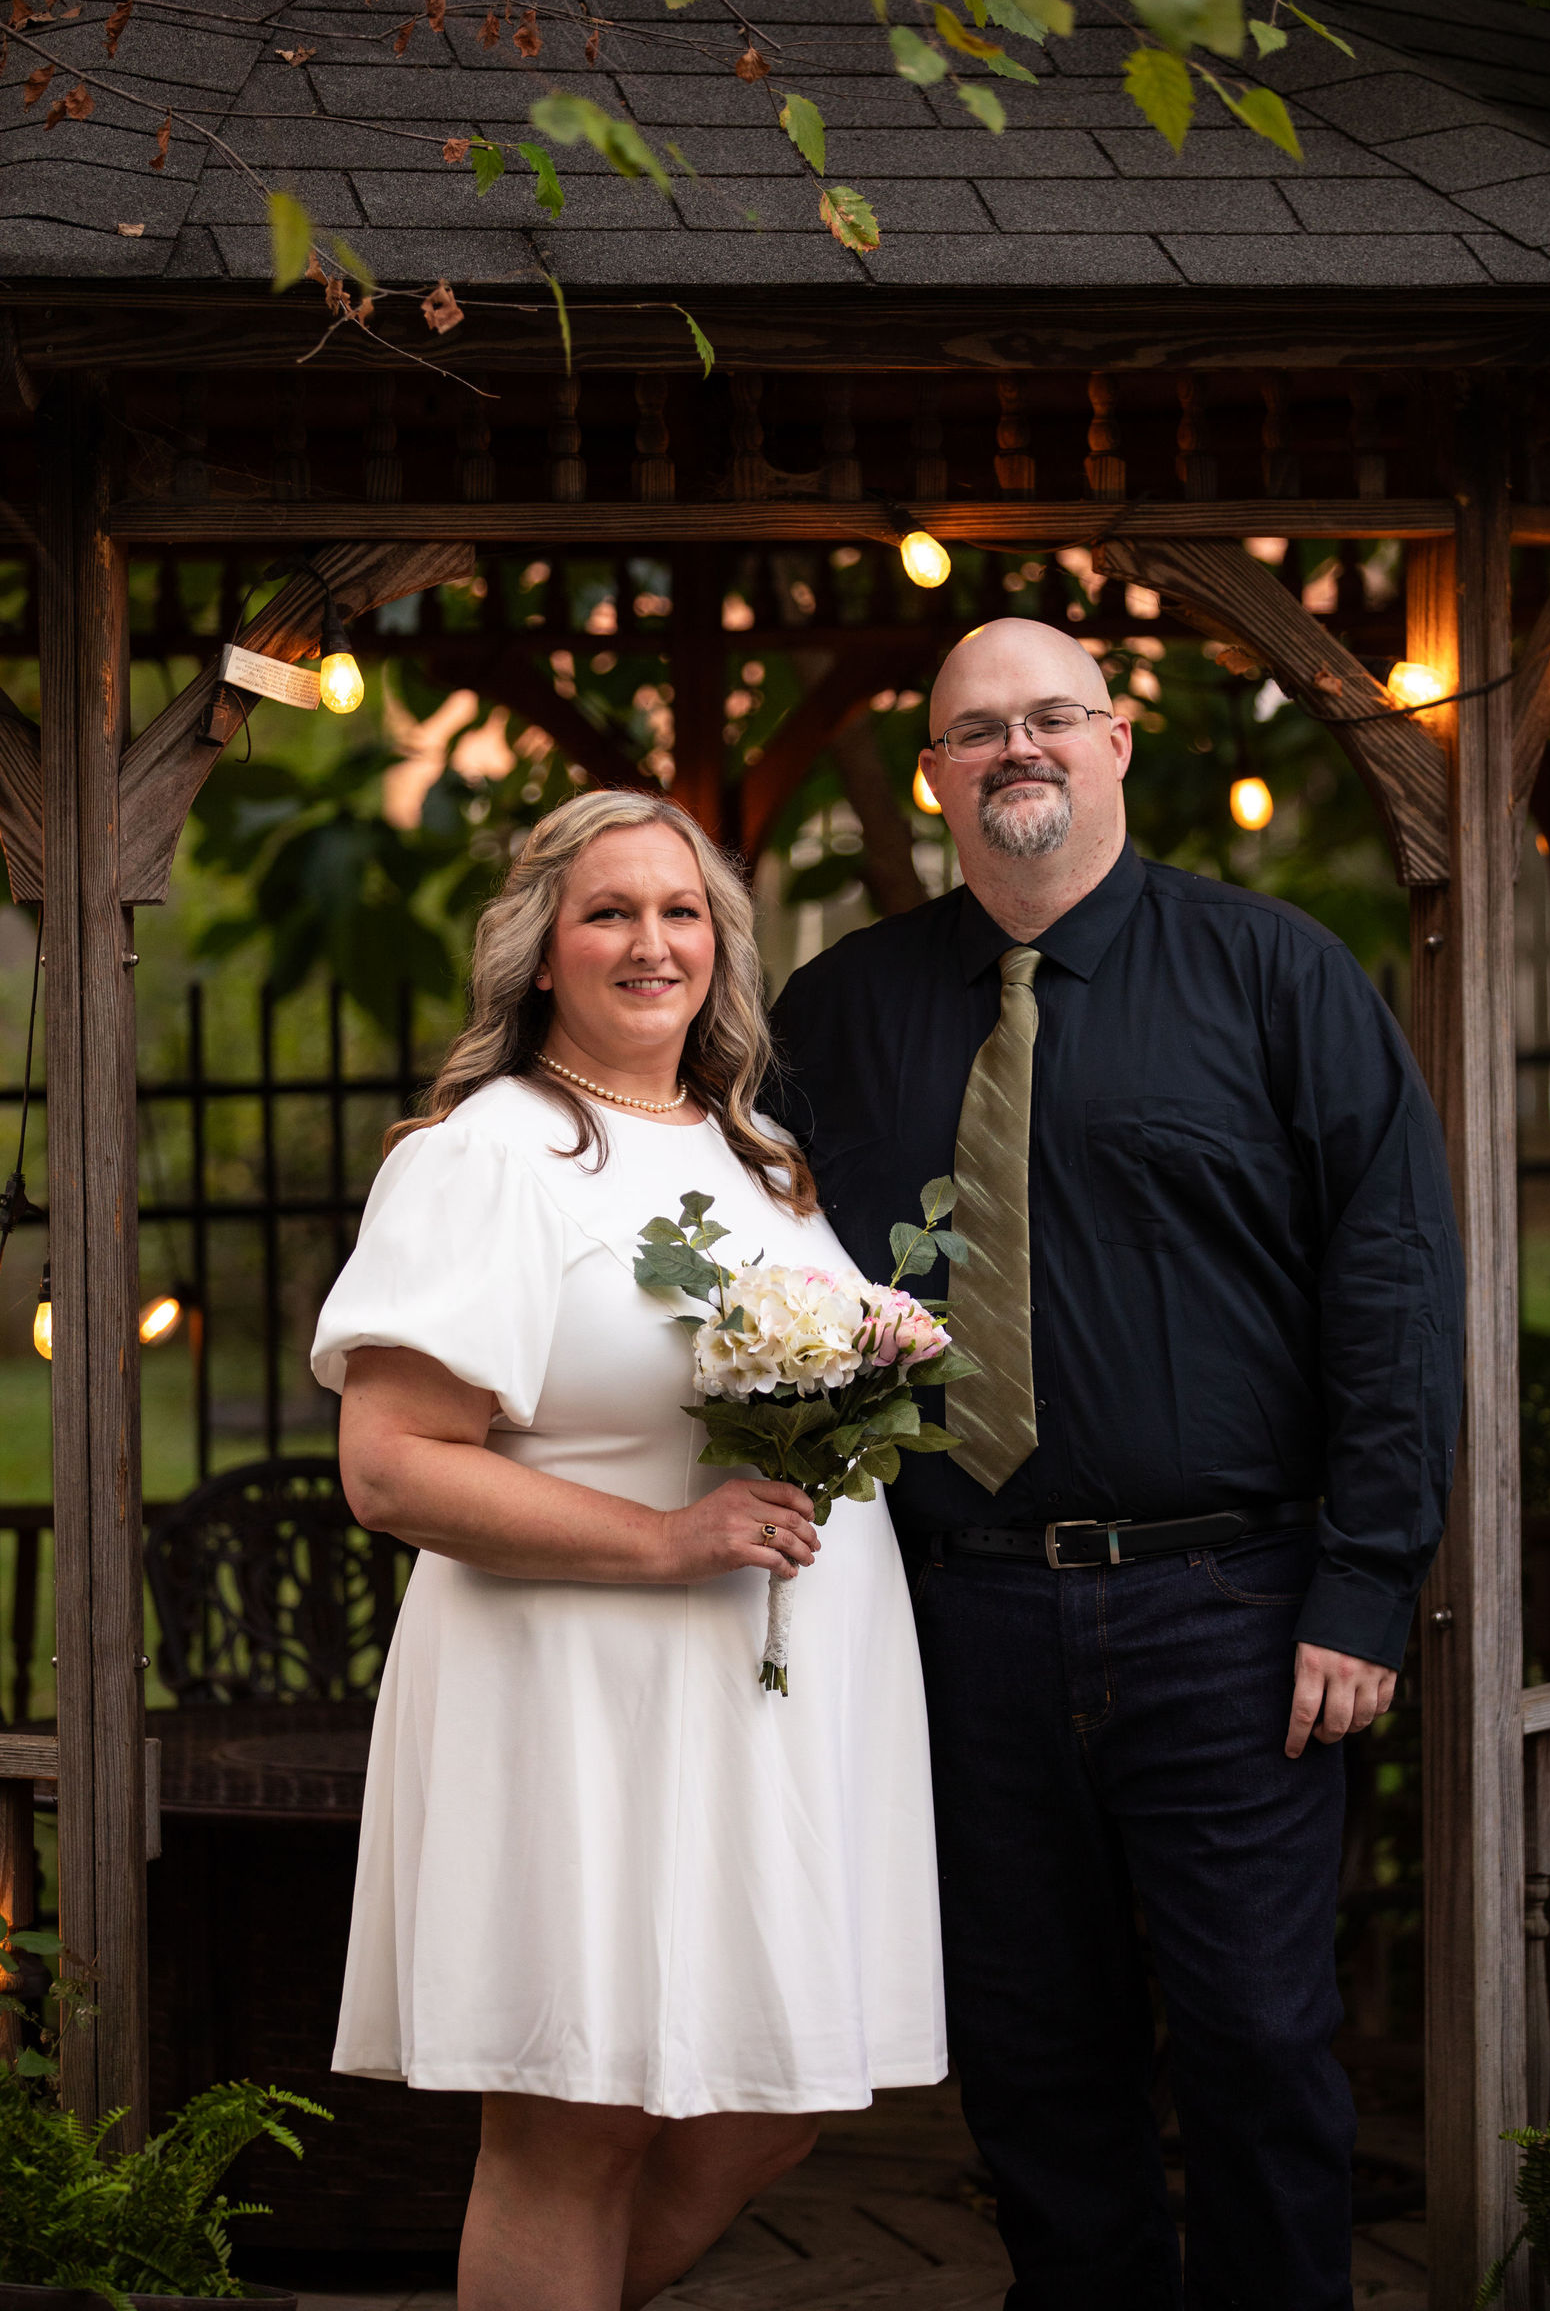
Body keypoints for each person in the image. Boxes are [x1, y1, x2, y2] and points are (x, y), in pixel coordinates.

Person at [768, 617, 1465, 2311]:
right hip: (959, 1620)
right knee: (1028, 2053)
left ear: (1120, 742)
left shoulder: (1278, 975)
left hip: (1232, 1609)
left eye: (1052, 718)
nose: (1019, 747)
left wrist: (1366, 1585)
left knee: (1257, 2038)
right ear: (934, 771)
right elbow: (757, 1284)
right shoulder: (838, 1013)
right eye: (977, 728)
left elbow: (1391, 1284)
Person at [310, 790, 944, 2311]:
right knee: (572, 2125)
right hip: (575, 1701)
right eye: (610, 912)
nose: (651, 943)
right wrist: (666, 1540)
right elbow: (391, 1468)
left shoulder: (759, 1155)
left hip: (754, 1719)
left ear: (721, 948)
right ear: (542, 953)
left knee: (772, 2108)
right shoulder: (487, 1155)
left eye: (682, 913)